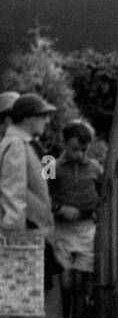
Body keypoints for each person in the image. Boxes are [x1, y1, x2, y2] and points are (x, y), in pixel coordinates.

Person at [48, 120, 104, 318]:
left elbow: (103, 194)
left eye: (84, 150)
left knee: (82, 283)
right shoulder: (49, 164)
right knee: (65, 282)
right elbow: (40, 194)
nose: (80, 154)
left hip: (86, 229)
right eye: (74, 149)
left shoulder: (96, 167)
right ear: (64, 144)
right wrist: (60, 208)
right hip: (61, 228)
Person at [0, 92, 56, 232]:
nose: (47, 121)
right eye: (43, 116)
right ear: (27, 118)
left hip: (34, 229)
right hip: (23, 233)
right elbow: (14, 192)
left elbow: (48, 178)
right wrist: (14, 235)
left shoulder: (29, 143)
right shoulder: (16, 144)